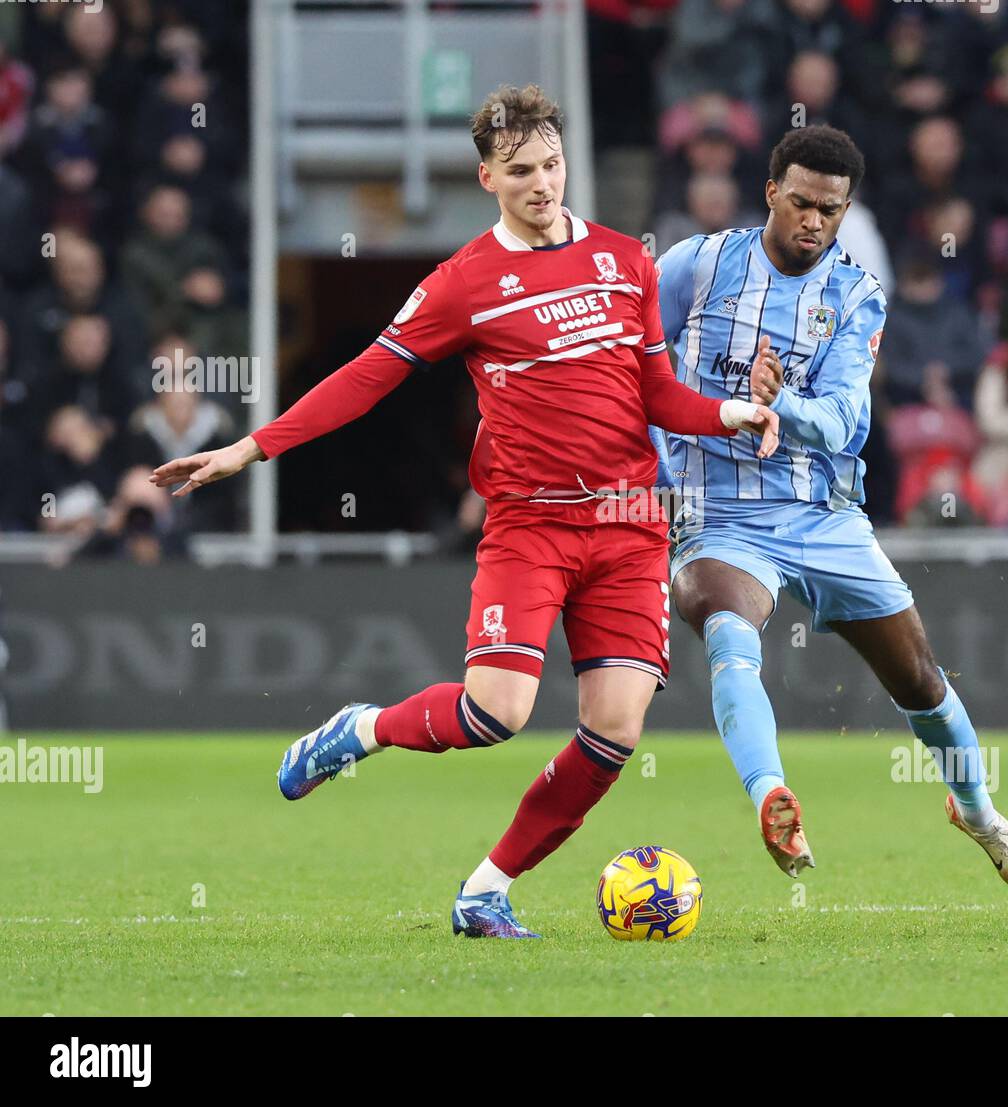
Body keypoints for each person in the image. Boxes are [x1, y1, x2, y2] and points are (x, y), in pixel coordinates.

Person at [149, 84, 780, 939]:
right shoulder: (464, 284)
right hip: (532, 522)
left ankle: (486, 889)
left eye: (553, 164)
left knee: (616, 730)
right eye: (521, 170)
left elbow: (658, 392)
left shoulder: (625, 260)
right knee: (496, 714)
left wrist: (730, 413)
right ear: (487, 176)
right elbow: (367, 376)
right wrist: (250, 447)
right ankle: (364, 728)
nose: (542, 183)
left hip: (632, 522)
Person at [651, 125, 1008, 895]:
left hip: (822, 515)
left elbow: (844, 423)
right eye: (800, 202)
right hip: (721, 515)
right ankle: (772, 795)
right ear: (771, 191)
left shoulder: (856, 295)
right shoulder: (695, 267)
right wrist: (656, 464)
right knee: (729, 632)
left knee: (921, 679)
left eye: (829, 209)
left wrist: (780, 403)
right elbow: (637, 367)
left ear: (845, 209)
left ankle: (978, 811)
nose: (813, 221)